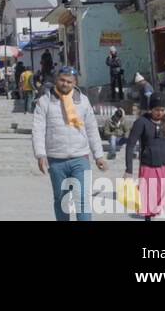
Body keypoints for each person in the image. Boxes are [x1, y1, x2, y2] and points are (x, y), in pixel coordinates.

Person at [32, 66, 107, 221]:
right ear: (56, 80)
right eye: (62, 80)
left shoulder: (83, 101)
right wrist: (40, 154)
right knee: (61, 202)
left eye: (69, 81)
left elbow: (92, 129)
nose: (65, 84)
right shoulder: (45, 101)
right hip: (56, 160)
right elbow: (38, 130)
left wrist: (98, 155)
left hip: (80, 159)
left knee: (83, 201)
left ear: (75, 83)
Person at [125, 95, 165, 220]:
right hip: (149, 168)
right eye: (157, 110)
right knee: (149, 201)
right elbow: (130, 145)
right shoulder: (141, 122)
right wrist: (129, 169)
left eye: (163, 110)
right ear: (150, 109)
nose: (160, 113)